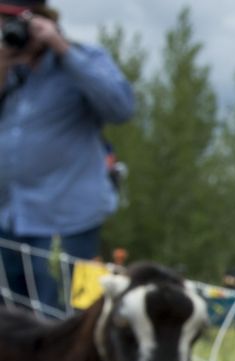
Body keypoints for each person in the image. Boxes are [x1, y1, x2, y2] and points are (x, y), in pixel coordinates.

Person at [0, 0, 134, 313]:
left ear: (40, 22)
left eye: (11, 23)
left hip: (65, 221)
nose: (5, 32)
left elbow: (121, 108)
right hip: (9, 215)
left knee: (60, 317)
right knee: (10, 318)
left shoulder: (82, 60)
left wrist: (61, 47)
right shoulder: (10, 71)